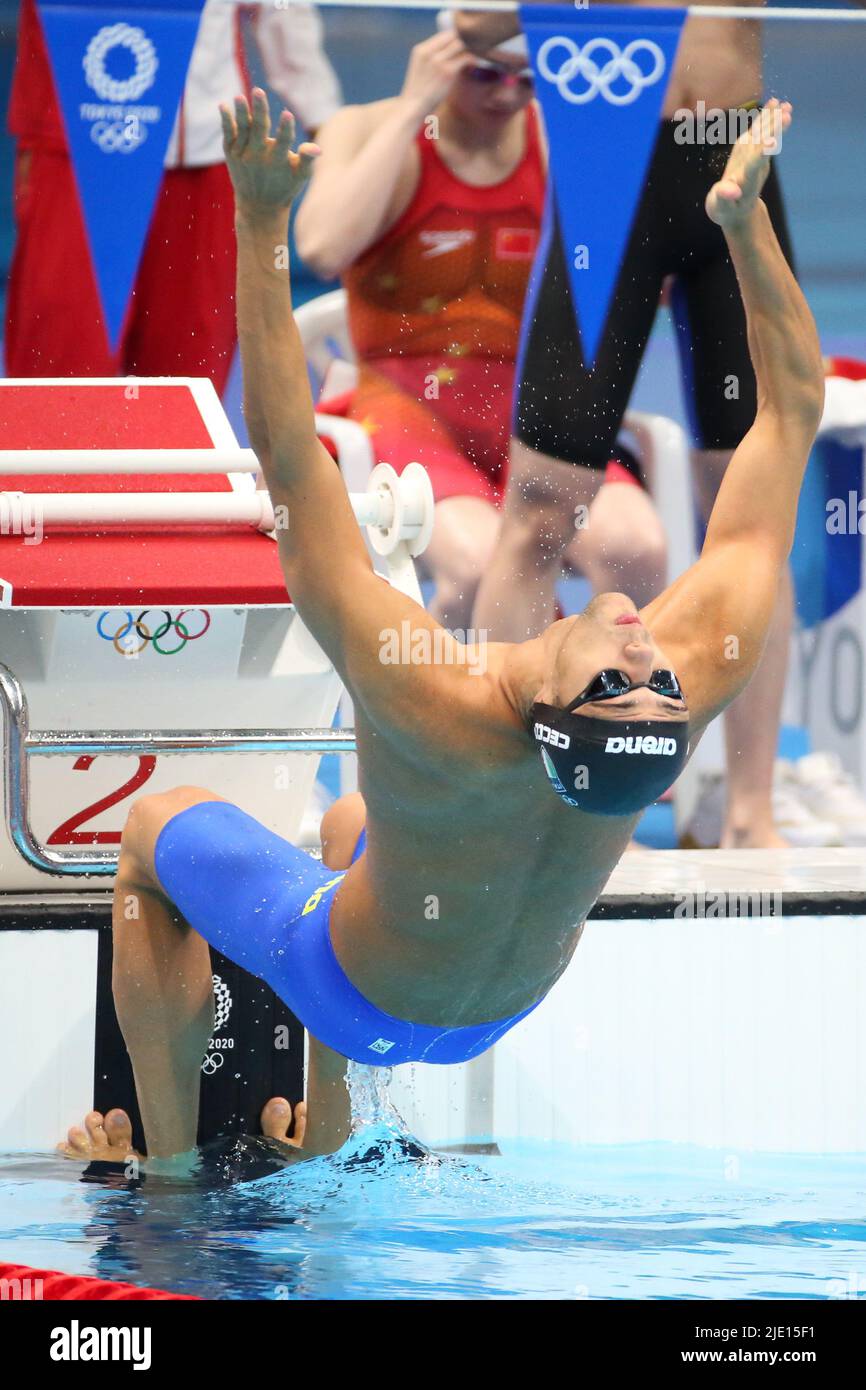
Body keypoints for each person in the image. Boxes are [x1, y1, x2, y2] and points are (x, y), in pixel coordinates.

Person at [62, 93, 823, 1165]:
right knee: (352, 825)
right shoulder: (688, 671)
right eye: (652, 682)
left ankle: (172, 1167)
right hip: (489, 1013)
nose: (641, 649)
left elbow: (290, 467)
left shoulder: (426, 695)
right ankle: (328, 1131)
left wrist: (260, 225)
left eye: (618, 679)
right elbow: (788, 411)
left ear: (557, 717)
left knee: (151, 832)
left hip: (350, 978)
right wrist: (743, 228)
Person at [458, 1, 800, 849]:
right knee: (540, 508)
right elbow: (473, 26)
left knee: (754, 508)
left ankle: (750, 812)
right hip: (609, 153)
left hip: (733, 148)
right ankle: (509, 794)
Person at [294, 28, 666, 628]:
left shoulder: (556, 136)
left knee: (635, 546)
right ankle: (448, 699)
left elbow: (642, 277)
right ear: (440, 56)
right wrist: (414, 109)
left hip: (532, 406)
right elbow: (320, 247)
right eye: (485, 74)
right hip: (406, 411)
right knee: (480, 566)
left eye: (526, 79)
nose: (505, 95)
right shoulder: (363, 127)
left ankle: (630, 710)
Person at [5, 0, 341, 392]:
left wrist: (325, 124)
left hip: (205, 149)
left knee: (187, 381)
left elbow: (280, 9)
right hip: (77, 134)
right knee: (60, 375)